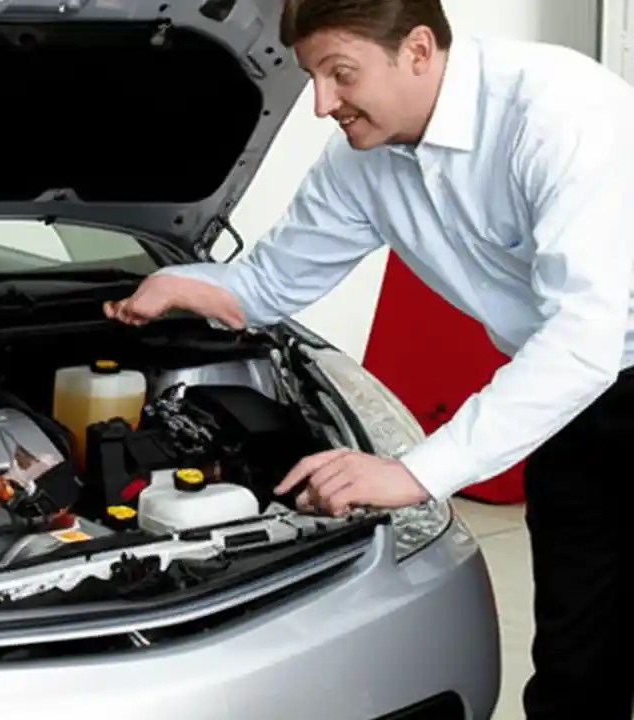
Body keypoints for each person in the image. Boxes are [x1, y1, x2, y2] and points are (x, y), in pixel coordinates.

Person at [103, 1, 634, 717]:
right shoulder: (362, 161)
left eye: (340, 73)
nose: (322, 103)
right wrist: (182, 286)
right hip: (567, 408)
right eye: (311, 76)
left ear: (417, 49)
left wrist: (414, 470)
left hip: (587, 362)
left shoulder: (560, 113)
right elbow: (270, 284)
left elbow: (584, 336)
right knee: (576, 658)